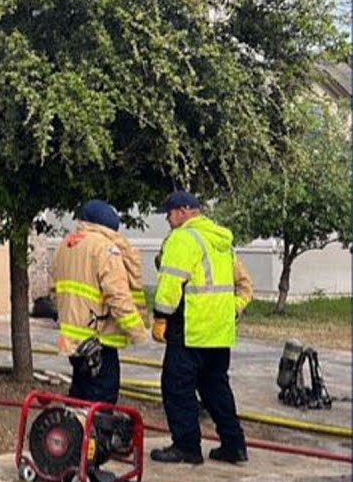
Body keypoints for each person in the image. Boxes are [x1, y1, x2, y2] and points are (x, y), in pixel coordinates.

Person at [150, 191, 254, 465]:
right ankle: (234, 446)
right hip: (219, 332)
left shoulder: (183, 238)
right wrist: (233, 309)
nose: (168, 219)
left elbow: (170, 283)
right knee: (216, 388)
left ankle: (186, 447)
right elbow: (245, 284)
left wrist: (161, 317)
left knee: (176, 386)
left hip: (190, 329)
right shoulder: (221, 240)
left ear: (184, 211)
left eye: (170, 213)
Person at [50, 199, 148, 403]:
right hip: (99, 338)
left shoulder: (66, 245)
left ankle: (75, 432)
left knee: (80, 391)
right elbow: (118, 296)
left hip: (74, 337)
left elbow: (54, 289)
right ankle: (95, 435)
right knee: (102, 397)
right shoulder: (105, 249)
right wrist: (137, 331)